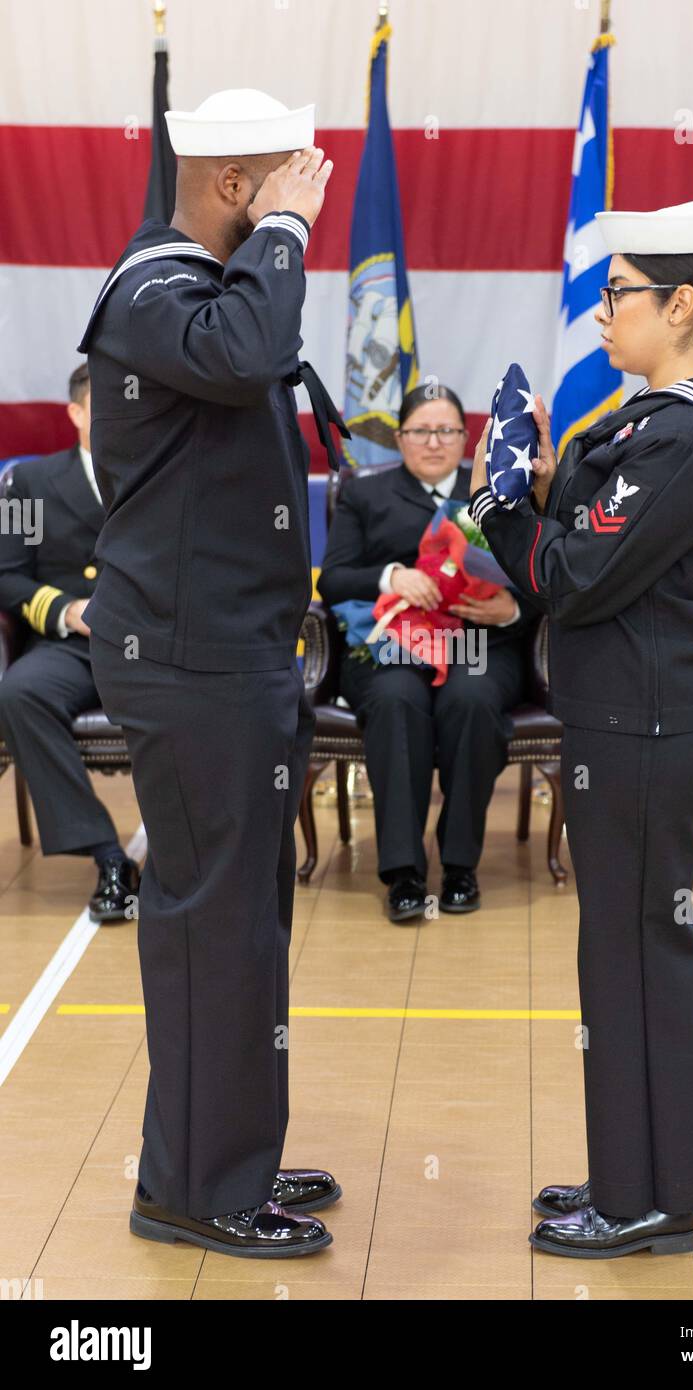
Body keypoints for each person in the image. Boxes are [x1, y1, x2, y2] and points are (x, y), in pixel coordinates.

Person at [466, 195, 693, 1258]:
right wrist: (547, 481)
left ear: (681, 305)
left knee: (637, 955)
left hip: (646, 720)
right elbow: (600, 535)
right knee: (624, 952)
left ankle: (651, 1199)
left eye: (618, 294)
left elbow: (577, 575)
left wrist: (501, 506)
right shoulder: (664, 415)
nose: (601, 312)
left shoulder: (685, 432)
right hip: (631, 712)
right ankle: (630, 1172)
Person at [76, 89, 350, 1258]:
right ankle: (191, 1188)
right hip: (187, 659)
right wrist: (283, 231)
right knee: (211, 925)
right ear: (233, 186)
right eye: (284, 183)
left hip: (229, 653)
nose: (304, 205)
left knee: (245, 920)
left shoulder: (200, 290)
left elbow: (248, 349)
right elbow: (249, 354)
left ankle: (228, 1153)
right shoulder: (154, 290)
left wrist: (273, 234)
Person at [318, 384, 538, 922]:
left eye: (446, 431)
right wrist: (391, 577)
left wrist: (512, 609)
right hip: (393, 643)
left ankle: (460, 865)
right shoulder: (365, 493)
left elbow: (545, 577)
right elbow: (334, 580)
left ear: (466, 438)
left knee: (472, 700)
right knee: (396, 700)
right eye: (421, 431)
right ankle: (404, 873)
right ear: (399, 438)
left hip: (479, 641)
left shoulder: (499, 492)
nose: (434, 442)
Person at [0, 363, 140, 921]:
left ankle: (196, 860)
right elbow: (7, 577)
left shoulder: (163, 474)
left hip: (152, 645)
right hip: (73, 644)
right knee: (21, 693)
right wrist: (67, 610)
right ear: (76, 413)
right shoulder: (30, 484)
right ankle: (109, 857)